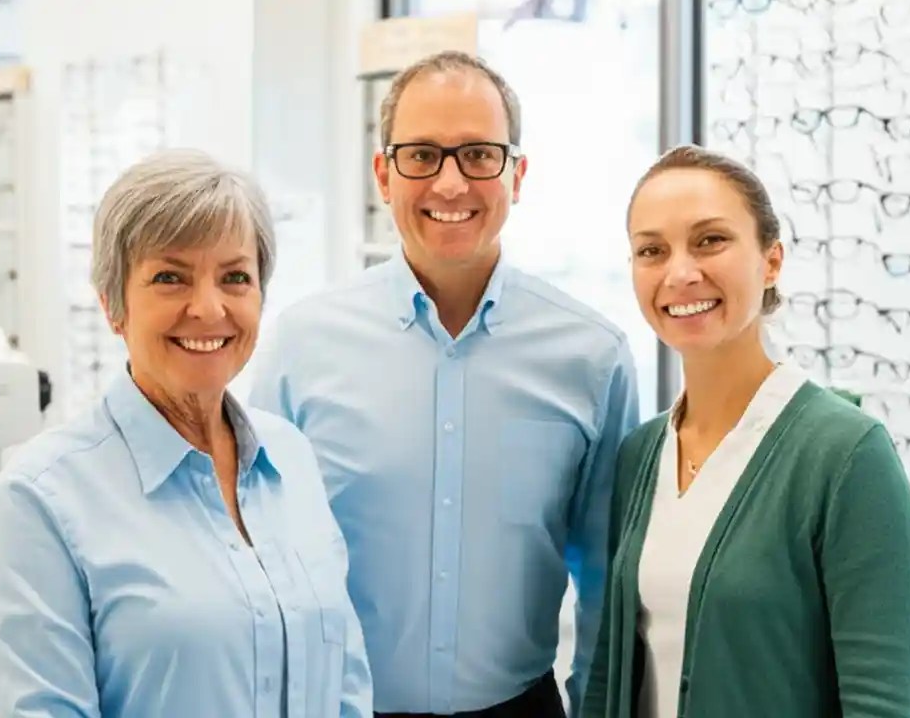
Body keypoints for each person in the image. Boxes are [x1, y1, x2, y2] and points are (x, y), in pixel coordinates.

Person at [249, 51, 640, 717]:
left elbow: (608, 582)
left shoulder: (592, 357)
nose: (451, 184)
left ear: (517, 175)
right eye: (422, 155)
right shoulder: (302, 346)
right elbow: (261, 563)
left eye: (479, 155)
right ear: (383, 174)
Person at [0, 149, 372, 717]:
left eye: (235, 277)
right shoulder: (41, 500)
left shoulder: (292, 456)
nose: (208, 309)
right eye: (170, 277)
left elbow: (346, 681)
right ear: (113, 305)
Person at [582, 144, 910, 718]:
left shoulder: (846, 456)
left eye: (710, 240)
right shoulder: (640, 455)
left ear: (771, 261)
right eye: (652, 250)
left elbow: (881, 705)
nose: (680, 273)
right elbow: (607, 673)